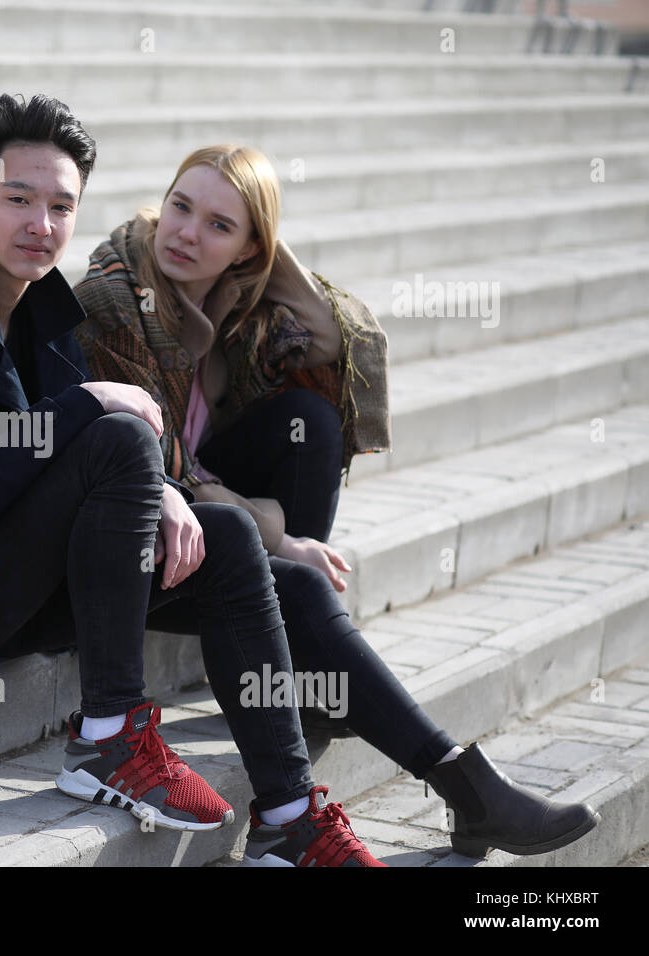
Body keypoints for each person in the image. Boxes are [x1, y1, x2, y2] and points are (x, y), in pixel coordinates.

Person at [0, 92, 392, 865]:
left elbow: (71, 454)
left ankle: (289, 819)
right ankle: (108, 737)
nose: (41, 223)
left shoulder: (44, 307)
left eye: (62, 205)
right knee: (116, 429)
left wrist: (156, 488)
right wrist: (84, 403)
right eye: (17, 199)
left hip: (24, 581)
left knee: (223, 533)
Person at [72, 144, 600, 861]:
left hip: (204, 515)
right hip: (132, 539)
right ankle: (465, 788)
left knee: (310, 420)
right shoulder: (110, 298)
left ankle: (439, 770)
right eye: (180, 206)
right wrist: (282, 541)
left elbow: (336, 341)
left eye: (220, 225)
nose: (186, 232)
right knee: (288, 577)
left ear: (250, 247)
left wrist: (264, 258)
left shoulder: (231, 296)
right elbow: (161, 464)